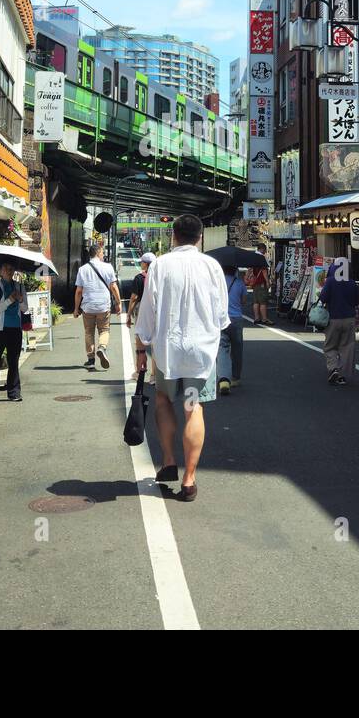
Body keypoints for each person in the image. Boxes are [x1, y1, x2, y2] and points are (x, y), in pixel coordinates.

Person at [134, 214, 228, 503]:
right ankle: (189, 479)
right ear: (199, 237)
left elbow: (147, 313)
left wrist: (141, 349)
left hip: (168, 351)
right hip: (201, 352)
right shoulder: (212, 266)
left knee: (163, 400)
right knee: (192, 407)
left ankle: (169, 460)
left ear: (173, 235)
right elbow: (222, 315)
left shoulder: (160, 265)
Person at [0, 262, 30, 405]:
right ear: (0, 271)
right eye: (6, 269)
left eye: (11, 269)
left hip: (15, 329)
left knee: (14, 362)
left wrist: (20, 300)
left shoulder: (20, 287)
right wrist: (9, 300)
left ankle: (14, 392)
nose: (9, 271)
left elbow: (25, 308)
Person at [74, 240, 120, 369]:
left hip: (88, 306)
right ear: (99, 253)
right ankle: (102, 347)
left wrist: (76, 309)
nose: (103, 255)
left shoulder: (82, 269)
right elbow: (114, 287)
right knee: (104, 330)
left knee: (89, 332)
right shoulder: (108, 267)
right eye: (102, 252)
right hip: (103, 305)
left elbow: (78, 291)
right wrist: (118, 302)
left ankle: (91, 359)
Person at [318, 260, 359, 386]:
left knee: (330, 346)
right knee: (347, 347)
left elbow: (323, 298)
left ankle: (334, 369)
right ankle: (343, 375)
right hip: (349, 319)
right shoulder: (352, 283)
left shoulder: (331, 281)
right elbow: (356, 301)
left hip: (333, 318)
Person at [216, 264, 248, 396]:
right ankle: (235, 377)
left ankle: (224, 379)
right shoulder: (239, 283)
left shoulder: (217, 282)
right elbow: (244, 301)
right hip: (236, 319)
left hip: (221, 319)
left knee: (222, 347)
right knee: (237, 348)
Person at [127, 252, 156, 380]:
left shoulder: (139, 278)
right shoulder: (159, 277)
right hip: (156, 310)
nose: (141, 264)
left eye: (142, 262)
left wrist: (128, 315)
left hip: (142, 310)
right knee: (155, 343)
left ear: (145, 263)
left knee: (140, 341)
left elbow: (134, 298)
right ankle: (154, 376)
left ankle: (139, 371)